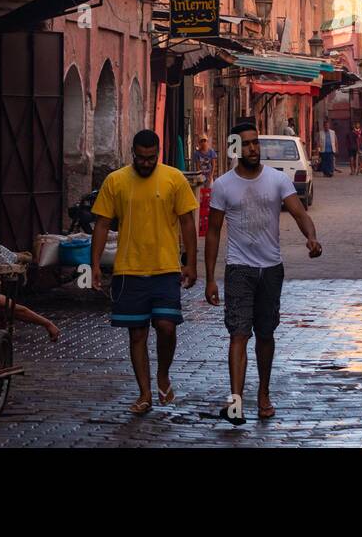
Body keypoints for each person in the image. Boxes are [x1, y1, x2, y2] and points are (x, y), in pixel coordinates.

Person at [205, 123, 322, 424]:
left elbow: (299, 213)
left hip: (271, 269)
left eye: (255, 143)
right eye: (245, 144)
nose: (253, 148)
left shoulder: (278, 180)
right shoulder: (222, 185)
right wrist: (208, 278)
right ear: (234, 148)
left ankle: (264, 394)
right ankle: (236, 401)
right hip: (239, 270)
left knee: (266, 334)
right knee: (238, 334)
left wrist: (311, 236)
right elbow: (214, 232)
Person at [90, 129, 198, 415]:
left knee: (166, 327)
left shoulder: (174, 179)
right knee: (136, 334)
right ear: (133, 154)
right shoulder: (115, 181)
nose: (146, 163)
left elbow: (188, 222)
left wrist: (191, 263)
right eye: (141, 158)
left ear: (158, 153)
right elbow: (102, 224)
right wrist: (94, 264)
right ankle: (145, 393)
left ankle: (163, 374)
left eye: (151, 158)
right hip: (129, 270)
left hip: (166, 268)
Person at [194, 135, 218, 237]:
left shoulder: (211, 152)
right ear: (199, 142)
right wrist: (200, 176)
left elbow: (213, 165)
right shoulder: (197, 153)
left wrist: (211, 176)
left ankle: (209, 213)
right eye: (202, 141)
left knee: (210, 195)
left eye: (205, 140)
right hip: (201, 176)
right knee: (201, 196)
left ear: (207, 141)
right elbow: (198, 166)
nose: (204, 142)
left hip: (209, 176)